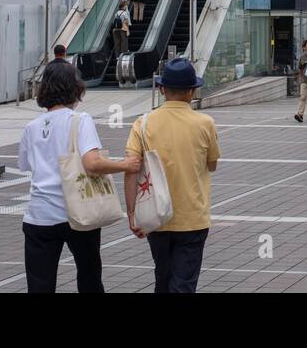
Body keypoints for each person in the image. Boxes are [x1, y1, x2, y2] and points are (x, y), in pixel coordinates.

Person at [17, 60, 140, 293]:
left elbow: (25, 165)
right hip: (78, 213)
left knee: (39, 285)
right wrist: (125, 165)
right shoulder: (79, 120)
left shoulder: (31, 127)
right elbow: (92, 163)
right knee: (89, 277)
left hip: (39, 216)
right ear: (75, 88)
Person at [125, 58, 220, 293]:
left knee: (163, 278)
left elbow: (131, 169)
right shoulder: (205, 123)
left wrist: (131, 214)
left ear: (162, 89)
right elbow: (212, 164)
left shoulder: (143, 123)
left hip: (155, 217)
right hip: (192, 218)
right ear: (192, 91)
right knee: (184, 282)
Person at [292, 38, 307, 123]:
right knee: (303, 97)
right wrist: (300, 78)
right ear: (304, 47)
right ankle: (300, 114)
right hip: (305, 81)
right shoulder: (303, 56)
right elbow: (300, 68)